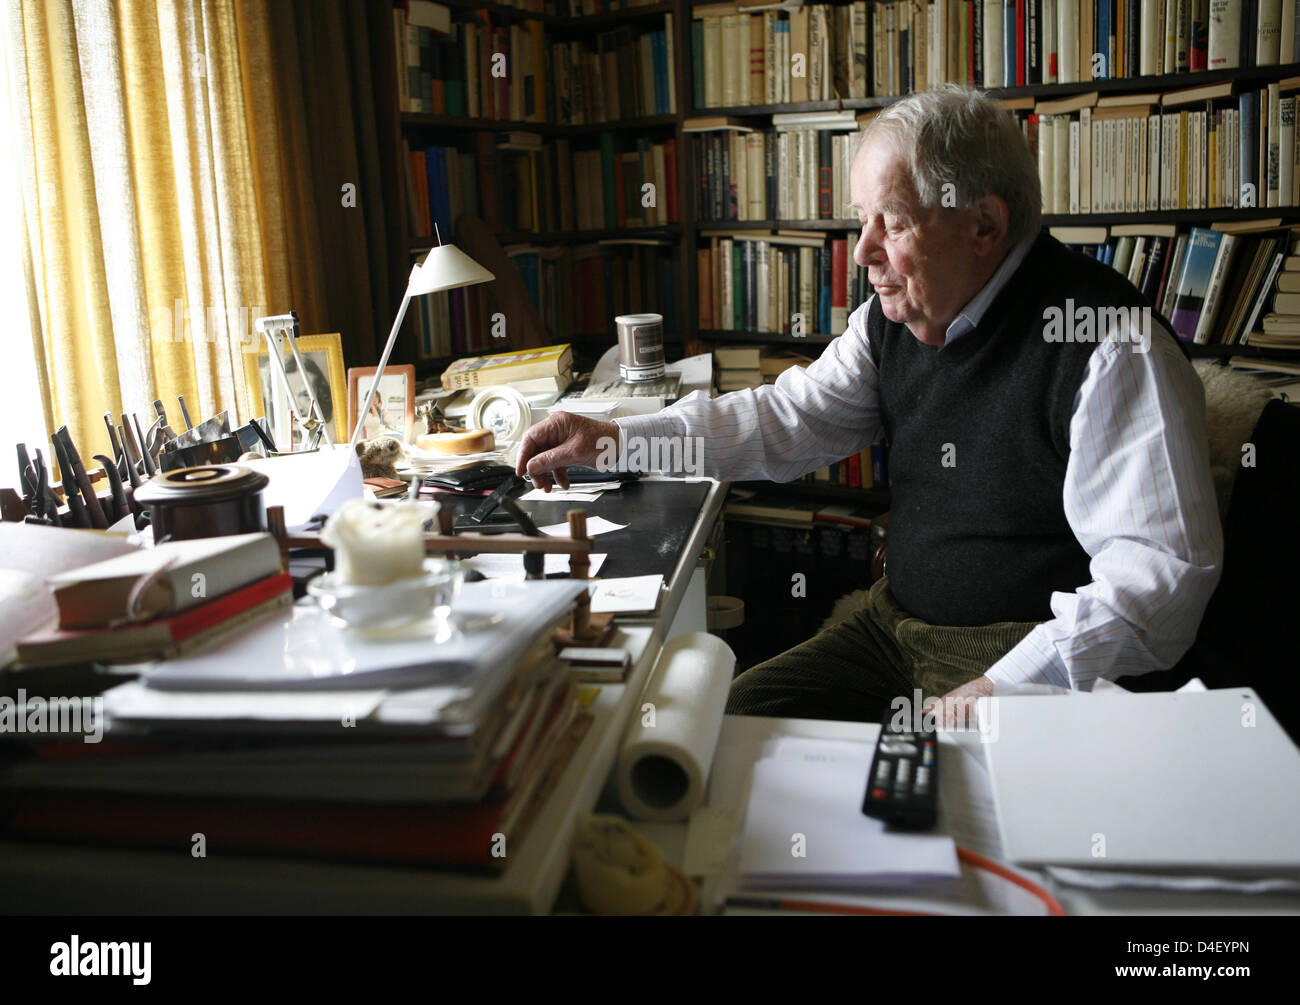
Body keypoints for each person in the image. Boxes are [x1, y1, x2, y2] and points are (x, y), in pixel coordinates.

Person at [516, 86, 1223, 727]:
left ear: (984, 225)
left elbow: (1160, 580)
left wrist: (1003, 688)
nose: (862, 252)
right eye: (862, 219)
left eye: (893, 221)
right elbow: (784, 419)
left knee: (925, 819)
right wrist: (616, 439)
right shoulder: (896, 318)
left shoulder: (1110, 346)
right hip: (893, 628)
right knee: (719, 729)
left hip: (1022, 654)